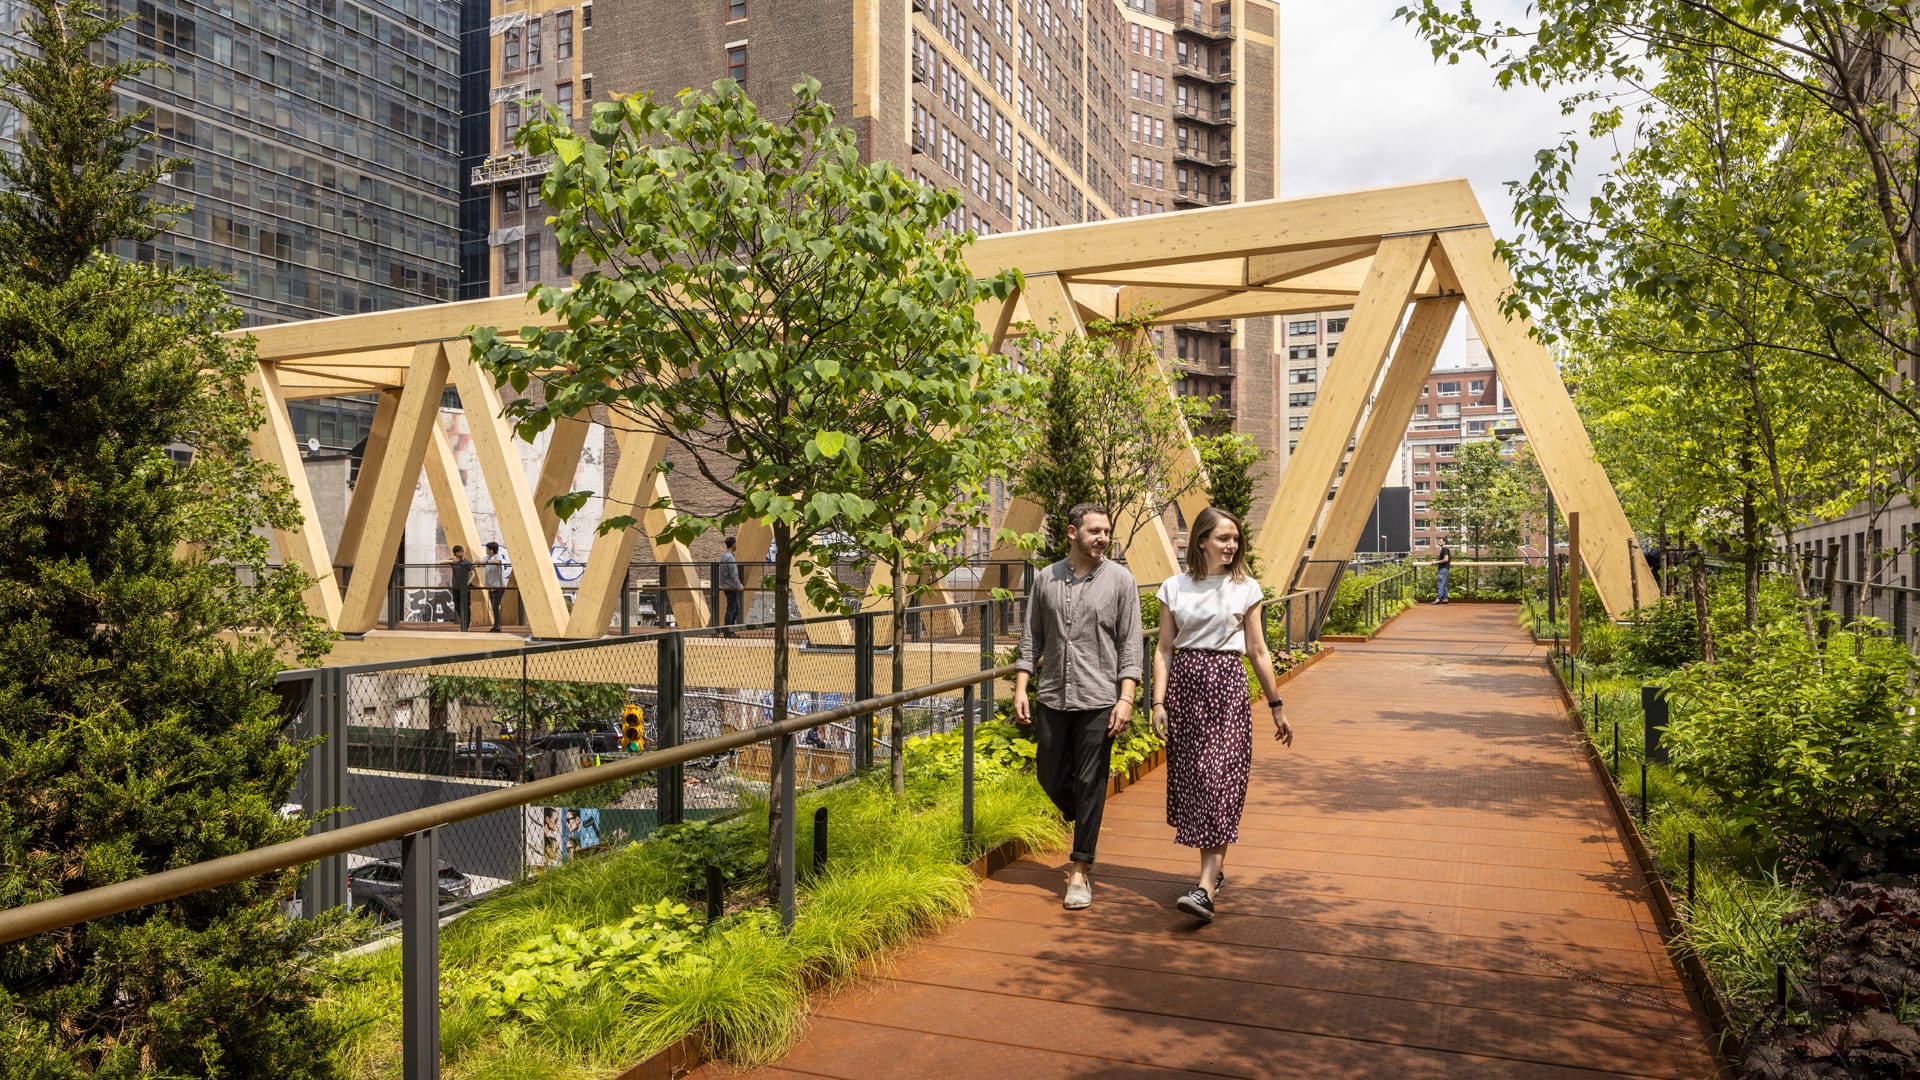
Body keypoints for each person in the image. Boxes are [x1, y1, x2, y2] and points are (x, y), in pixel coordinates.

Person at [1150, 506, 1293, 923]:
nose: (1231, 545)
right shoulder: (1174, 587)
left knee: (1219, 782)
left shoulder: (1246, 588)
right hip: (1185, 687)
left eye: (1235, 539)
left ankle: (1205, 889)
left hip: (1227, 687)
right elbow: (1163, 649)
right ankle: (1214, 871)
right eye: (1223, 538)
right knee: (1197, 782)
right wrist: (1158, 702)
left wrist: (1276, 706)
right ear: (1201, 542)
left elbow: (1258, 651)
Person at [1014, 503, 1142, 910]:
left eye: (1107, 531)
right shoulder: (1046, 579)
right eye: (1095, 531)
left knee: (1091, 781)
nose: (1103, 537)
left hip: (1100, 698)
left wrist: (1126, 697)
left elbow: (1131, 644)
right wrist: (1022, 686)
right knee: (1049, 775)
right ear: (1072, 532)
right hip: (1053, 694)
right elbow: (1031, 637)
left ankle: (1080, 869)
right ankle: (1088, 814)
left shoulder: (1121, 580)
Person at [718, 535, 745, 636]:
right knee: (732, 609)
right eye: (736, 543)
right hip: (731, 587)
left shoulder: (724, 556)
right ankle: (728, 631)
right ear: (733, 544)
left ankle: (730, 630)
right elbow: (734, 573)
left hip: (726, 586)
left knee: (735, 608)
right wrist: (739, 585)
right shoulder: (730, 557)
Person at [482, 541, 510, 631]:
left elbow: (498, 562)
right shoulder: (487, 557)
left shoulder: (498, 556)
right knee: (494, 607)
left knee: (495, 607)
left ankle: (497, 626)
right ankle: (495, 626)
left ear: (491, 550)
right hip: (491, 586)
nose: (486, 550)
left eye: (487, 549)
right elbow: (481, 561)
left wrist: (486, 561)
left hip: (498, 586)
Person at [448, 545, 475, 631]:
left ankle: (466, 625)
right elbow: (441, 562)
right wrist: (453, 561)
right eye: (457, 552)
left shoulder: (467, 562)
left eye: (460, 552)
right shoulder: (453, 561)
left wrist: (468, 583)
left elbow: (473, 574)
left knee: (466, 606)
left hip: (464, 588)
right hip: (455, 587)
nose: (459, 554)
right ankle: (465, 622)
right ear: (455, 554)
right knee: (457, 607)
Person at [1434, 539, 1452, 604]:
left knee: (1440, 584)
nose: (1439, 542)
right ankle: (1445, 599)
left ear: (1444, 542)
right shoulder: (1444, 549)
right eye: (1439, 541)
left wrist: (1436, 562)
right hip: (1444, 568)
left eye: (1440, 541)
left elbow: (1446, 559)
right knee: (1443, 584)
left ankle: (1438, 598)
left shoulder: (1444, 549)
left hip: (1443, 568)